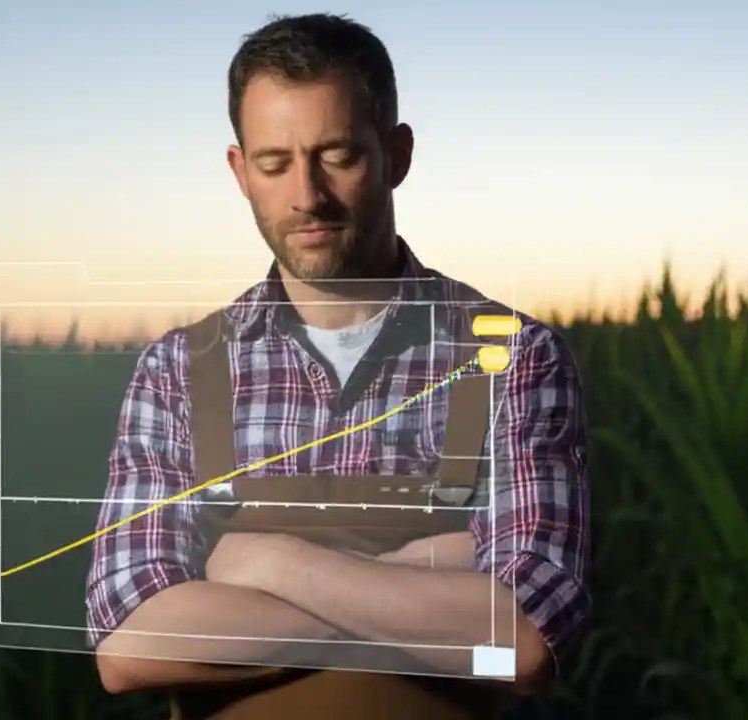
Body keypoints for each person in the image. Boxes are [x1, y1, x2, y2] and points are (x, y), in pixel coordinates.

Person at [84, 13, 589, 719]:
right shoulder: (176, 372)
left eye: (338, 155)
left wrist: (269, 565)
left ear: (398, 154)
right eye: (274, 163)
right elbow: (131, 643)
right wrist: (427, 583)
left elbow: (526, 635)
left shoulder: (513, 359)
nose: (306, 196)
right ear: (239, 172)